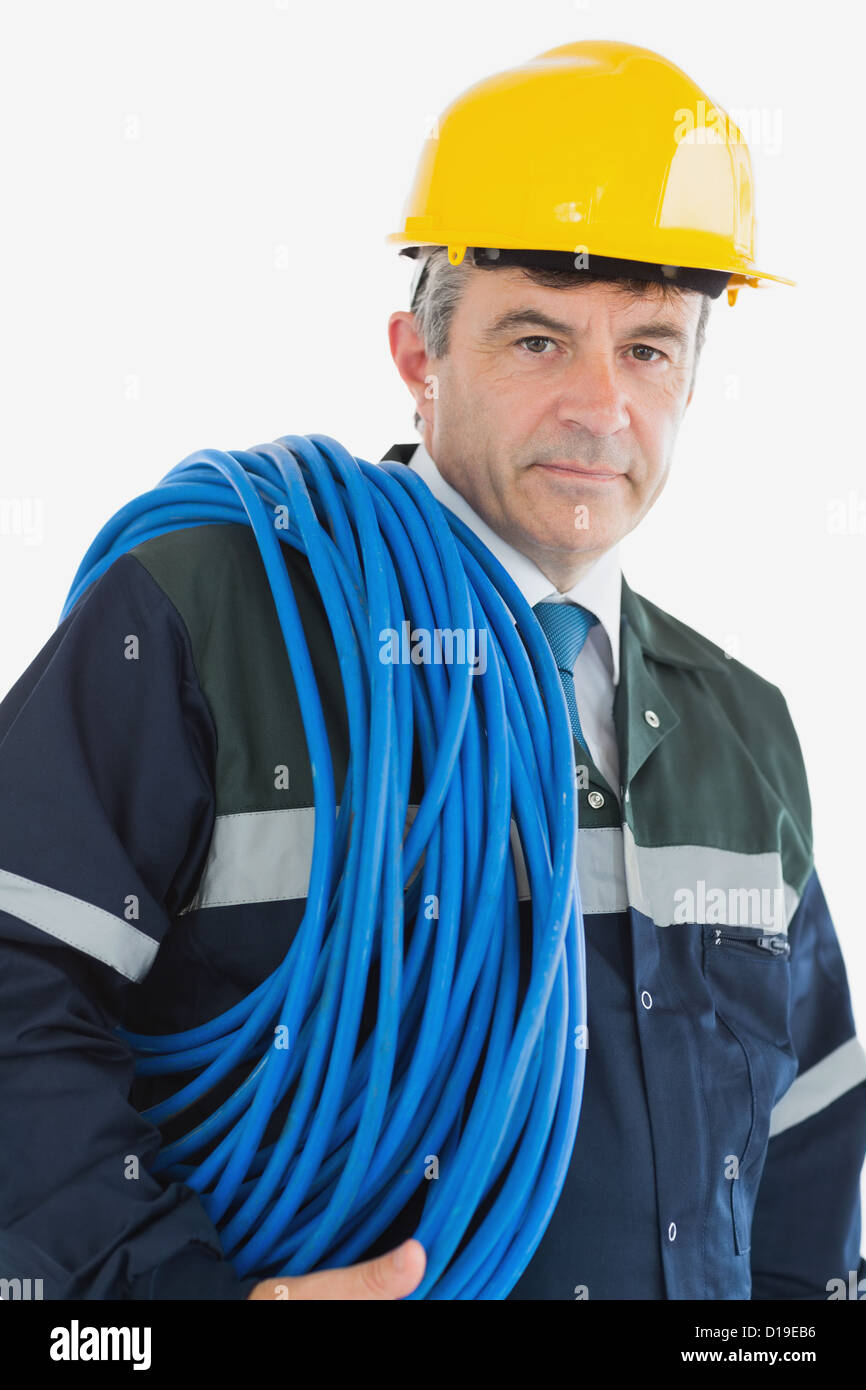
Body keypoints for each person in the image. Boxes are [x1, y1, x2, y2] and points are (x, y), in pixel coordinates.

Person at [1, 40, 864, 1302]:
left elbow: (808, 1140)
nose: (597, 408)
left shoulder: (737, 724)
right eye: (535, 340)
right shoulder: (214, 618)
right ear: (417, 355)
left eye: (647, 349)